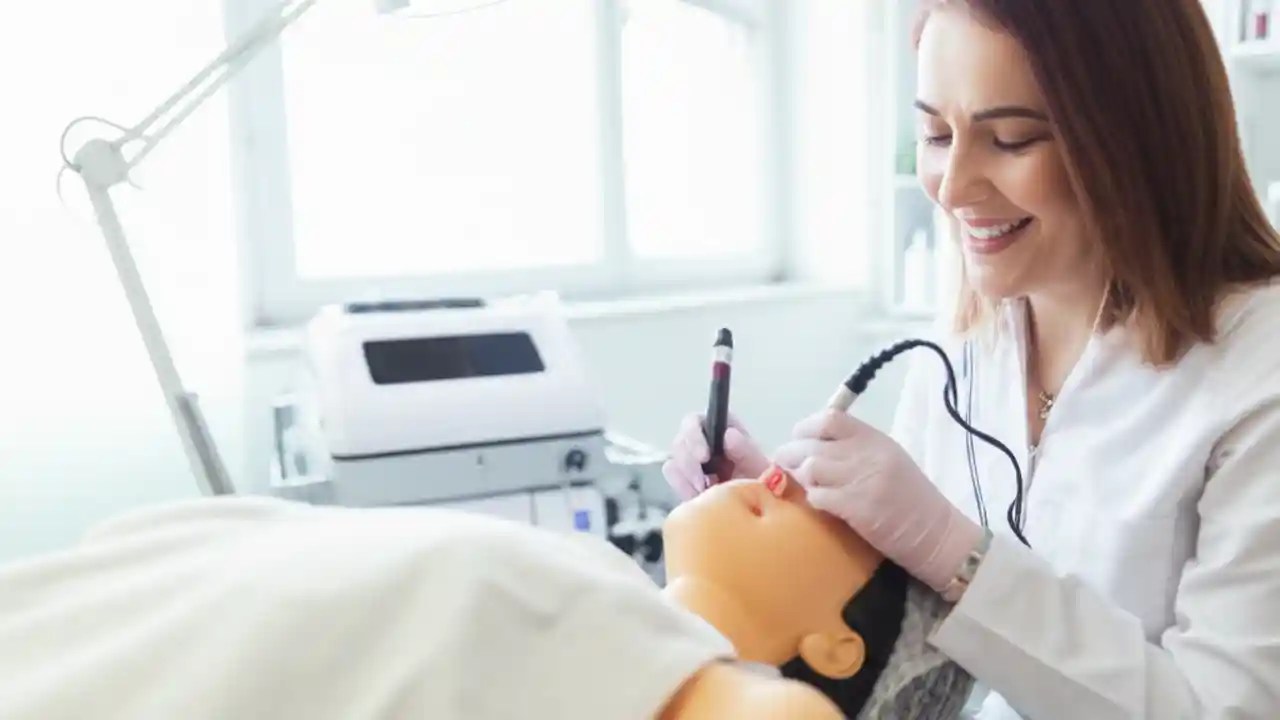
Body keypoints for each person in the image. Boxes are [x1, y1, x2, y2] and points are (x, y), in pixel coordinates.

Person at [664, 1, 1280, 718]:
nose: (952, 188)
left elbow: (1225, 710)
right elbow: (914, 621)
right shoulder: (972, 336)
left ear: (1139, 139)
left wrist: (954, 551)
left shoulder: (1257, 368)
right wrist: (797, 526)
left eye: (1011, 139)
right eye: (934, 133)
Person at [0, 468, 969, 719]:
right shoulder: (588, 592)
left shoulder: (741, 701)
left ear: (838, 651)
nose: (790, 481)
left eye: (852, 524)